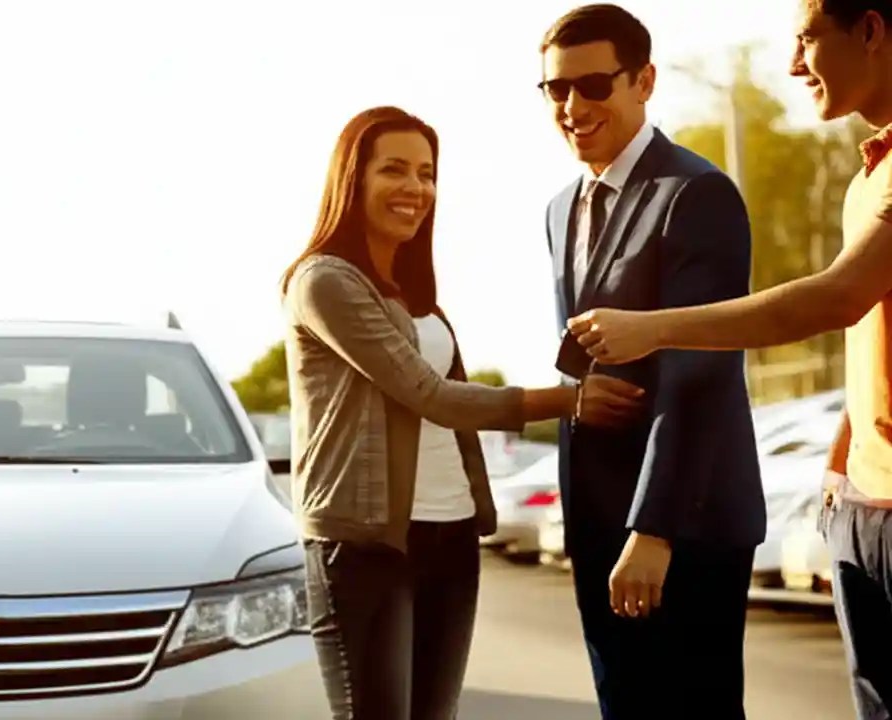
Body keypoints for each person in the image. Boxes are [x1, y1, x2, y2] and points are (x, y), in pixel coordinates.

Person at [565, 2, 892, 716]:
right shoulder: (867, 177)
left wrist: (654, 328)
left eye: (806, 40)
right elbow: (867, 333)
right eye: (553, 89)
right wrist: (841, 464)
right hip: (865, 510)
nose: (792, 65)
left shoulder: (698, 190)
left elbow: (831, 299)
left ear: (869, 30)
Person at [279, 104, 645, 720]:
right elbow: (429, 394)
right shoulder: (324, 282)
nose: (415, 188)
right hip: (365, 542)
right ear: (352, 180)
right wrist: (565, 401)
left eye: (426, 173)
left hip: (448, 534)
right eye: (393, 170)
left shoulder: (419, 298)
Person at [535, 5, 767, 718]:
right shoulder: (558, 208)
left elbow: (701, 373)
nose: (573, 107)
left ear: (644, 81)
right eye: (555, 90)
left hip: (681, 526)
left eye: (594, 85)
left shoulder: (696, 194)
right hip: (597, 519)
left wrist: (653, 529)